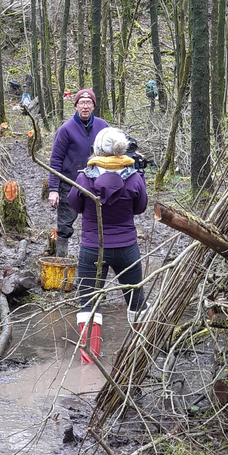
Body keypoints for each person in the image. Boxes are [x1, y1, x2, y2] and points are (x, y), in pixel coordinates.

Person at [68, 127, 148, 361]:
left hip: (93, 249)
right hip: (127, 249)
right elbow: (141, 207)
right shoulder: (134, 178)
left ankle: (88, 362)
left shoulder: (84, 177)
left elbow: (75, 204)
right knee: (136, 301)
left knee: (88, 305)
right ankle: (139, 355)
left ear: (98, 149)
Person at [47, 89, 108, 258]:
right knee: (65, 226)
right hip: (70, 184)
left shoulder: (103, 127)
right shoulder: (66, 130)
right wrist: (53, 189)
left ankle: (97, 260)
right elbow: (55, 160)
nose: (85, 107)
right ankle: (61, 259)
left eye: (89, 103)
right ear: (75, 106)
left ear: (94, 106)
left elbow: (111, 155)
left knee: (97, 224)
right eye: (82, 103)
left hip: (96, 185)